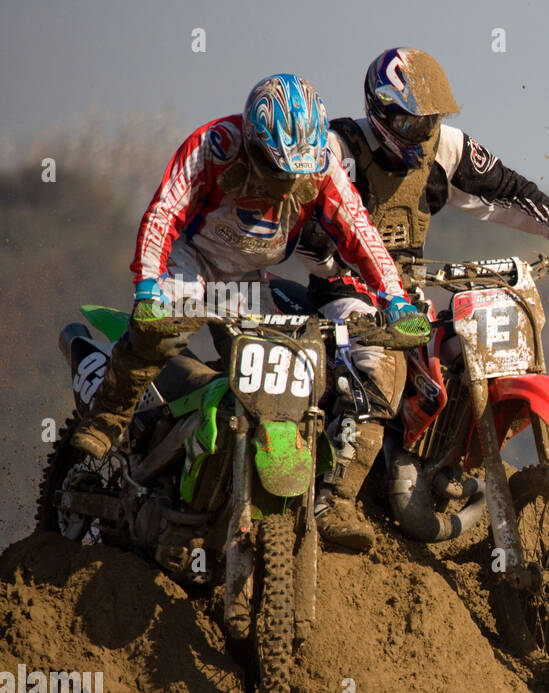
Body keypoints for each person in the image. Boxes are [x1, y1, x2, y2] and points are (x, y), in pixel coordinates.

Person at [298, 48, 549, 551]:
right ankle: (335, 499)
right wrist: (342, 269)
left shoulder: (445, 147)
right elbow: (307, 232)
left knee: (464, 347)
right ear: (384, 114)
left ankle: (443, 463)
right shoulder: (339, 149)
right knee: (378, 368)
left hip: (406, 297)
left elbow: (505, 188)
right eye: (416, 122)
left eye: (433, 119)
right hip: (342, 294)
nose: (425, 132)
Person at [70, 73, 425, 466]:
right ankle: (108, 416)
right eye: (281, 171)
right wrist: (148, 288)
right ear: (255, 144)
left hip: (246, 276)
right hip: (191, 259)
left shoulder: (322, 164)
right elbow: (163, 213)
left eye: (298, 174)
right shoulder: (215, 145)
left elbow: (360, 232)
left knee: (273, 371)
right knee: (160, 334)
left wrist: (396, 299)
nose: (290, 185)